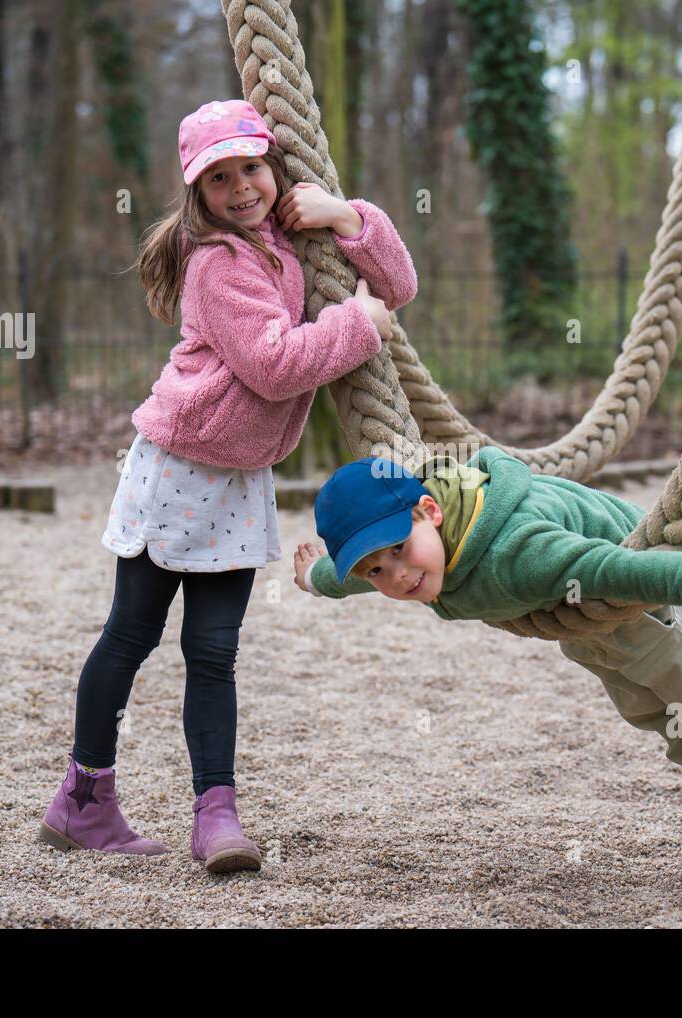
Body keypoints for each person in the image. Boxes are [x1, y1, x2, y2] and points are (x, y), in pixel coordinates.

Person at [38, 98, 417, 873]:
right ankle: (83, 799)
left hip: (240, 481)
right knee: (131, 635)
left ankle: (217, 817)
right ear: (198, 193)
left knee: (215, 654)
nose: (242, 187)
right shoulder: (216, 262)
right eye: (220, 177)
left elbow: (399, 285)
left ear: (272, 167)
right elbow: (275, 365)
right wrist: (358, 325)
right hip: (179, 466)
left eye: (252, 167)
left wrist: (349, 217)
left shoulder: (292, 237)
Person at [293, 448, 682, 874]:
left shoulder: (518, 554)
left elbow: (615, 571)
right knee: (657, 717)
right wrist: (318, 580)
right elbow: (363, 578)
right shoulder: (421, 554)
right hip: (583, 623)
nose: (398, 577)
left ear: (430, 511)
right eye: (376, 570)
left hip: (645, 599)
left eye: (397, 550)